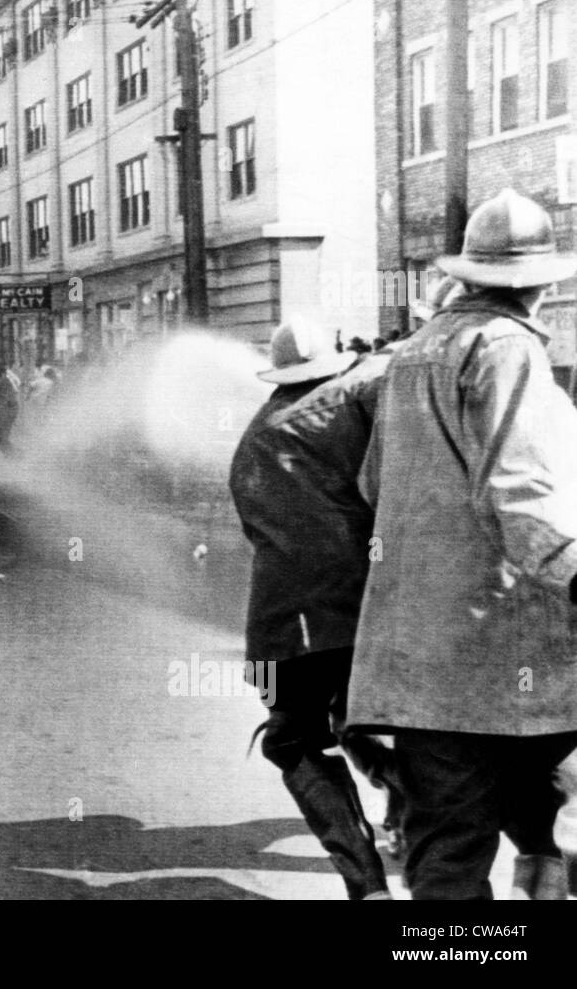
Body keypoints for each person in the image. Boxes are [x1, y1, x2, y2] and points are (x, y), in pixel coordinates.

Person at [349, 189, 577, 901]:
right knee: (548, 817)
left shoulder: (412, 353)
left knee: (446, 853)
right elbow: (525, 496)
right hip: (501, 655)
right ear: (543, 284)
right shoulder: (508, 348)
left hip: (416, 662)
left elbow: (370, 484)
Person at [229, 317, 402, 901]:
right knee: (366, 719)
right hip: (367, 607)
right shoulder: (359, 397)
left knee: (294, 739)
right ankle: (407, 815)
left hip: (284, 622)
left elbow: (257, 528)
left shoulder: (257, 432)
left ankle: (367, 886)